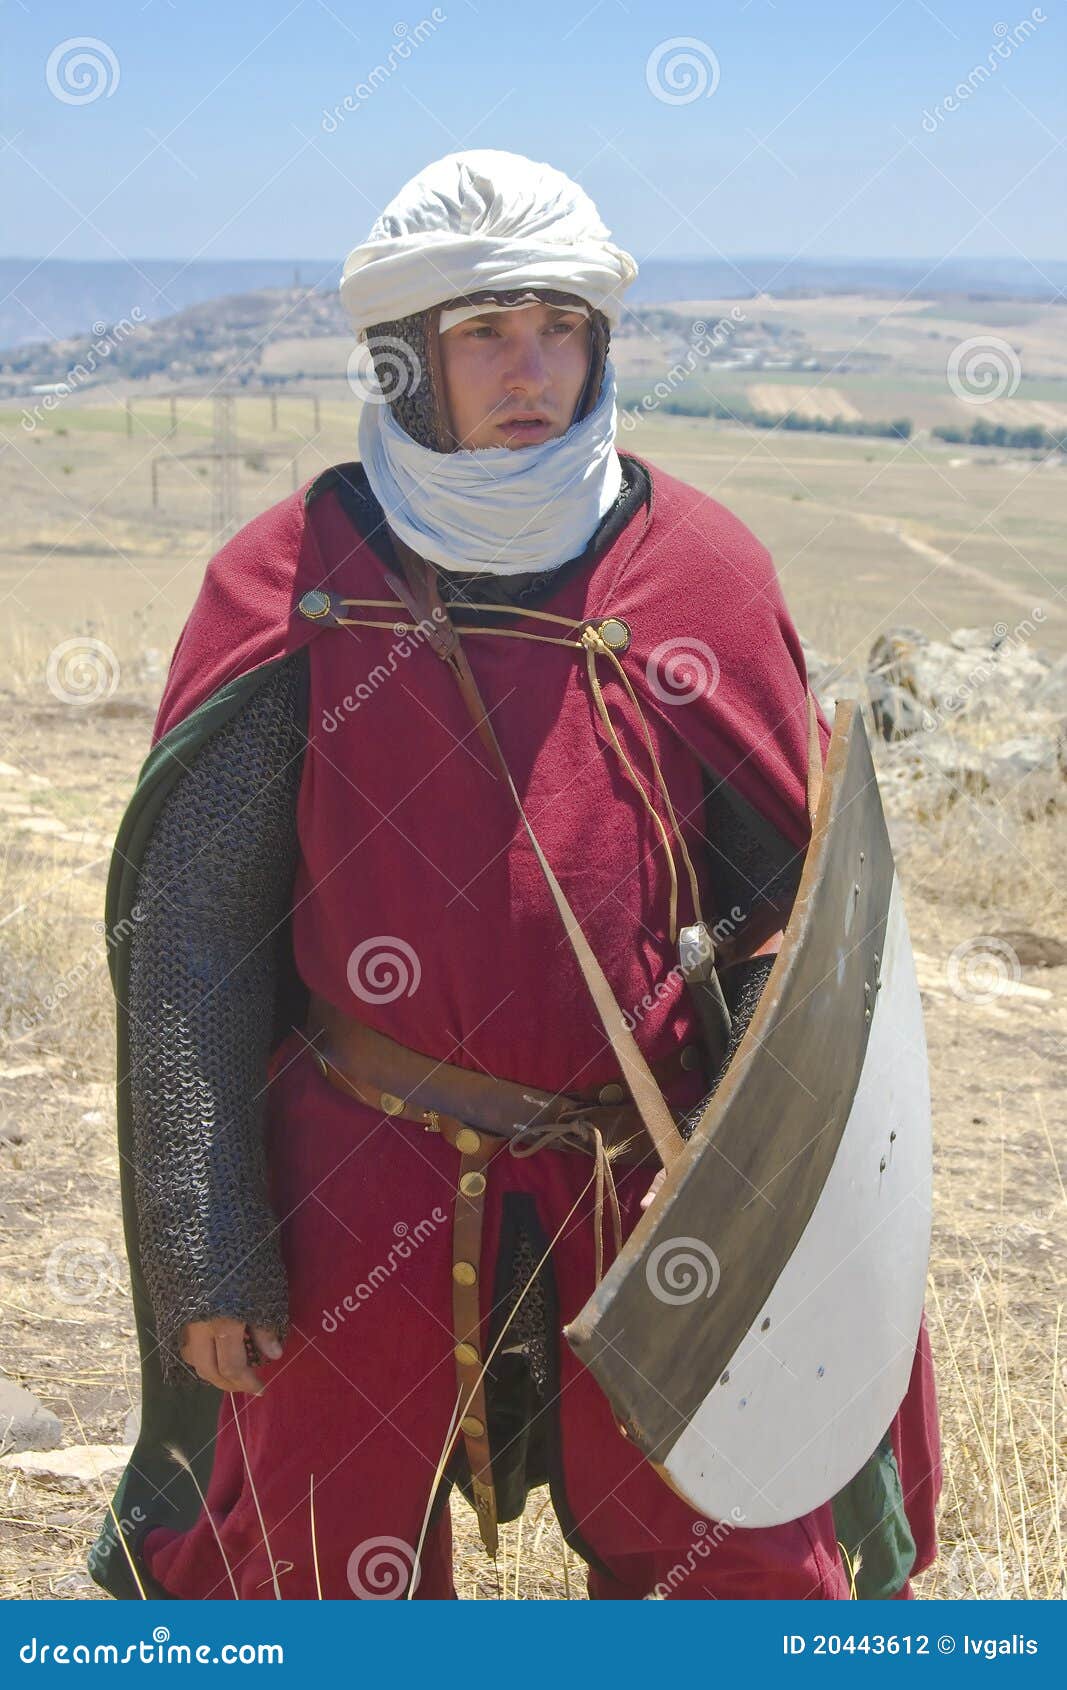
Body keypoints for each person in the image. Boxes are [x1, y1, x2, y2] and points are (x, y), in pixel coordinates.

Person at [88, 149, 940, 1602]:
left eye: (560, 328)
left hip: (651, 1185)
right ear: (406, 359)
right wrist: (211, 1244)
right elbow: (197, 942)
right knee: (313, 1579)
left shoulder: (700, 573)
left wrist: (754, 1193)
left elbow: (794, 933)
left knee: (736, 1577)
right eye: (484, 331)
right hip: (357, 1180)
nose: (530, 368)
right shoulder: (299, 578)